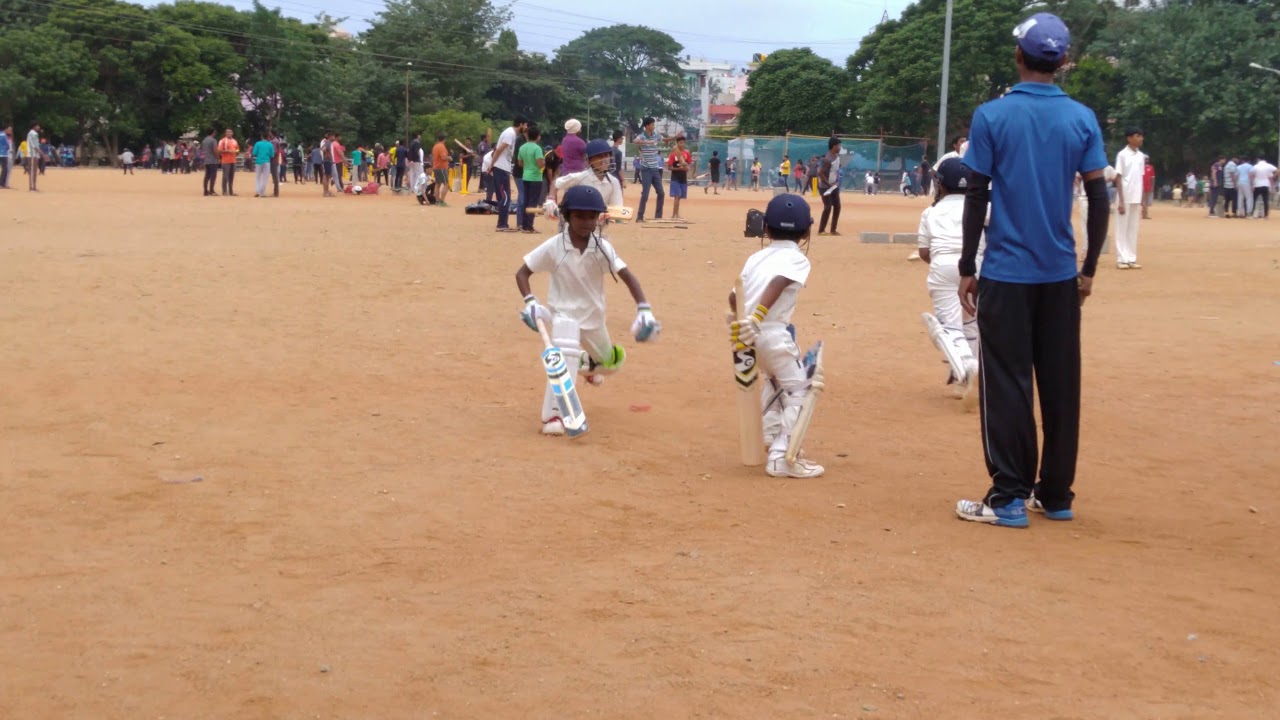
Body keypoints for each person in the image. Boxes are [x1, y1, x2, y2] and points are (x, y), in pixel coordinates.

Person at [954, 12, 1108, 528]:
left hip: (1007, 272)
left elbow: (976, 193)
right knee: (1062, 382)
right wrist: (1087, 268)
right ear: (1063, 62)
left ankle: (1010, 497)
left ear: (1017, 56)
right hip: (1060, 275)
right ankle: (1058, 494)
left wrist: (967, 264)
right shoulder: (1082, 118)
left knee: (1007, 382)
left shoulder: (991, 117)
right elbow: (1098, 195)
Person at [514, 185, 660, 435]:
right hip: (563, 315)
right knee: (563, 358)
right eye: (580, 216)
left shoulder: (602, 248)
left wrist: (644, 308)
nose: (586, 222)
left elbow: (628, 277)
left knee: (610, 364)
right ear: (567, 216)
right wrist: (530, 302)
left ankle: (588, 368)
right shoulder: (554, 246)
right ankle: (554, 417)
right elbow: (523, 273)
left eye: (591, 216)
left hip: (593, 318)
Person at [727, 193, 825, 479]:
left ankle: (771, 436)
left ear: (766, 228)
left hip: (747, 335)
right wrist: (757, 318)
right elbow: (779, 281)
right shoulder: (796, 259)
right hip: (770, 333)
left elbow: (734, 296)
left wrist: (743, 322)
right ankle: (782, 457)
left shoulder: (755, 257)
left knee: (776, 382)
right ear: (808, 230)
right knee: (803, 390)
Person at [917, 157, 983, 406]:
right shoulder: (982, 207)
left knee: (949, 328)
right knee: (971, 324)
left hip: (943, 267)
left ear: (941, 185)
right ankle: (964, 377)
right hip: (977, 267)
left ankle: (967, 366)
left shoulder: (931, 212)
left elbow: (924, 252)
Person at [551, 139, 624, 222]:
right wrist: (551, 199)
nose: (604, 160)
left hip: (597, 229)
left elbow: (617, 209)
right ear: (589, 160)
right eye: (599, 156)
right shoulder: (580, 177)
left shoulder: (613, 182)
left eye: (606, 155)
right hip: (573, 226)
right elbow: (556, 183)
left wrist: (608, 215)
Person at [491, 115, 529, 232]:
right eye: (526, 125)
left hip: (503, 168)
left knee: (504, 196)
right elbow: (499, 149)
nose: (526, 127)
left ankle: (503, 223)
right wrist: (492, 164)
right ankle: (502, 224)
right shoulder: (510, 133)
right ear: (521, 124)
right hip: (501, 168)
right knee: (505, 197)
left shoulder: (511, 133)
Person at [1114, 128, 1144, 269]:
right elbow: (1118, 177)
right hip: (1124, 196)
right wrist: (1120, 200)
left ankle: (1131, 257)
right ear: (1129, 138)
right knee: (1122, 228)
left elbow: (1141, 177)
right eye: (1137, 136)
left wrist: (1143, 199)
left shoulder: (1141, 156)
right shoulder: (1122, 155)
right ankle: (1121, 258)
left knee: (1133, 229)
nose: (1140, 139)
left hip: (1136, 196)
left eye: (1141, 136)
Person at [633, 117, 665, 222]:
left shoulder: (656, 135)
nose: (653, 126)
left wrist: (675, 138)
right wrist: (647, 142)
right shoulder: (642, 136)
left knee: (661, 192)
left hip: (655, 168)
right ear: (647, 126)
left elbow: (664, 140)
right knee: (645, 194)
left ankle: (658, 216)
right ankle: (639, 216)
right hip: (646, 169)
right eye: (652, 124)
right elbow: (635, 141)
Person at [516, 126, 545, 232]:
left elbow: (519, 163)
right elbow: (540, 164)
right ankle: (529, 225)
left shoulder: (522, 147)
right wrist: (543, 163)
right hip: (535, 178)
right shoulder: (537, 148)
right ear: (537, 136)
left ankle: (524, 224)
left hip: (525, 176)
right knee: (533, 202)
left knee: (526, 201)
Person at [816, 137, 842, 236]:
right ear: (834, 146)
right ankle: (821, 230)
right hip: (825, 187)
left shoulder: (836, 157)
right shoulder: (828, 159)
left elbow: (835, 171)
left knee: (837, 207)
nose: (840, 147)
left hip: (833, 186)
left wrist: (836, 181)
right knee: (827, 207)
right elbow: (821, 173)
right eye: (839, 145)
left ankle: (833, 230)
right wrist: (828, 184)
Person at [667, 135, 692, 219]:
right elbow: (669, 167)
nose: (682, 144)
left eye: (683, 143)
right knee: (677, 196)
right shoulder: (673, 154)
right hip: (675, 178)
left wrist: (687, 168)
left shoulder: (686, 154)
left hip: (683, 178)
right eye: (680, 143)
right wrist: (678, 168)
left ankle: (676, 213)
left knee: (679, 197)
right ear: (677, 143)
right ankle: (675, 215)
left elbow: (689, 165)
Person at [431, 132, 452, 206]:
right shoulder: (441, 147)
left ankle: (437, 200)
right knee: (446, 184)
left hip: (436, 167)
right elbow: (443, 157)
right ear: (444, 139)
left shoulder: (435, 146)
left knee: (438, 184)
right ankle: (441, 201)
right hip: (442, 167)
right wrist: (449, 158)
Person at [217, 128, 239, 196]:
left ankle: (231, 191)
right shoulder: (222, 141)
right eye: (227, 132)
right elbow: (219, 150)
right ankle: (224, 191)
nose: (229, 133)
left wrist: (236, 152)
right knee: (225, 176)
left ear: (232, 133)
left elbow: (237, 149)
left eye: (230, 132)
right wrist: (228, 151)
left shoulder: (234, 141)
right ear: (225, 133)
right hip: (226, 160)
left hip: (233, 160)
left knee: (231, 176)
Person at [26, 123, 47, 191]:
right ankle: (31, 187)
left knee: (34, 171)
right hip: (32, 154)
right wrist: (42, 154)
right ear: (34, 126)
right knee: (32, 171)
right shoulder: (32, 134)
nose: (39, 127)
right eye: (38, 126)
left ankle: (34, 186)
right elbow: (34, 146)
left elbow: (36, 145)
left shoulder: (34, 134)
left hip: (35, 154)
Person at [252, 132, 275, 197]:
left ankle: (257, 191)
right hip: (267, 161)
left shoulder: (257, 143)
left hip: (258, 161)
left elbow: (254, 153)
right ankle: (262, 192)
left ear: (262, 137)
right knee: (265, 177)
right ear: (268, 137)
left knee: (258, 177)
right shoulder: (270, 144)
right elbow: (272, 155)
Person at [200, 129, 218, 196]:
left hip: (206, 160)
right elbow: (215, 150)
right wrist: (218, 157)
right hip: (212, 160)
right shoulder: (213, 140)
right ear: (213, 132)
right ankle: (211, 190)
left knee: (207, 176)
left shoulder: (204, 140)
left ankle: (205, 190)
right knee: (213, 176)